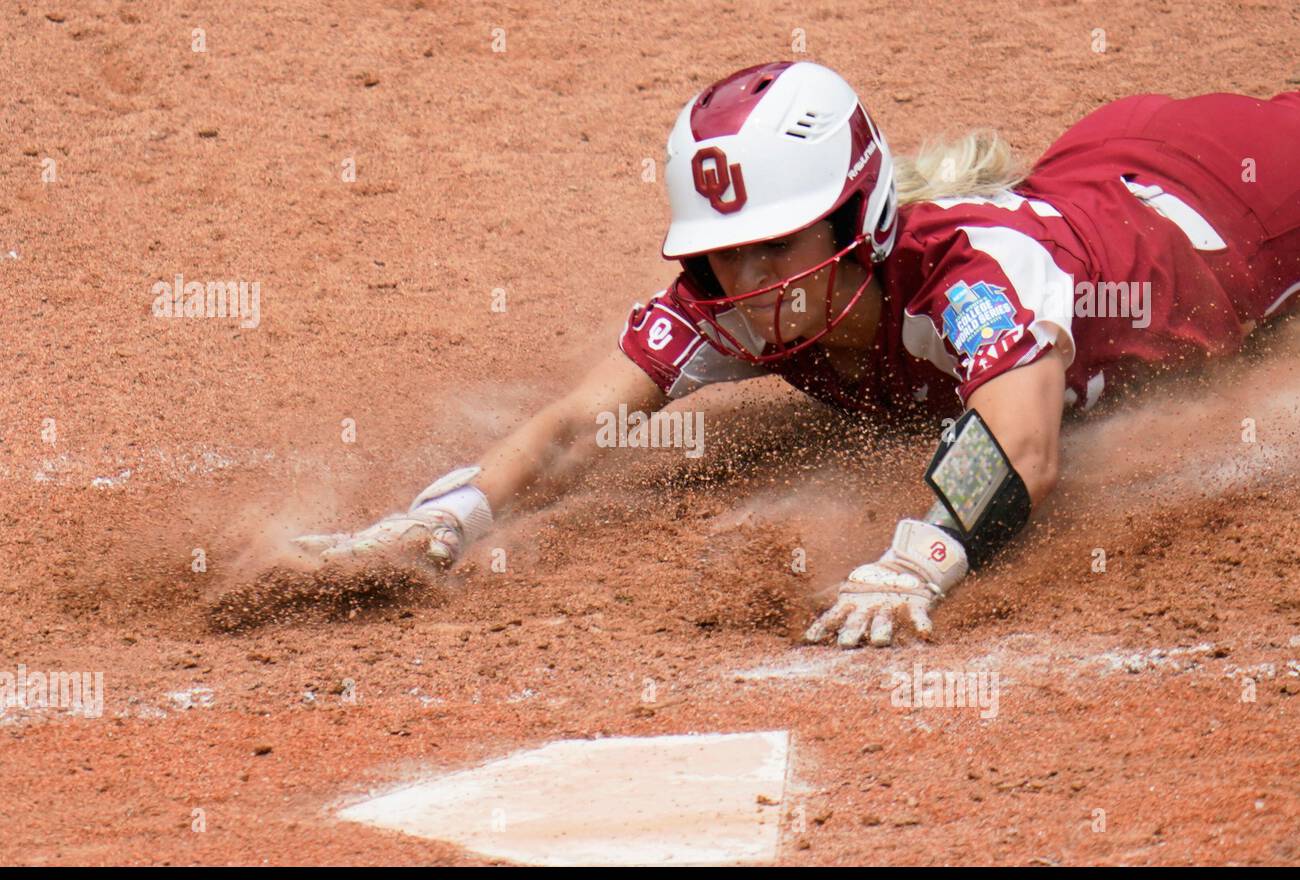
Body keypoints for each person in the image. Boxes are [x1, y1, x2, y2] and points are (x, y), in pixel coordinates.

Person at [295, 61, 1300, 648]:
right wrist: (451, 514)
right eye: (724, 254)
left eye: (777, 244)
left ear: (856, 220)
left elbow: (1026, 447)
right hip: (1092, 165)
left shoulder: (975, 274)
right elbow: (575, 426)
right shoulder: (728, 300)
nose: (749, 282)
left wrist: (923, 558)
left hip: (1230, 211)